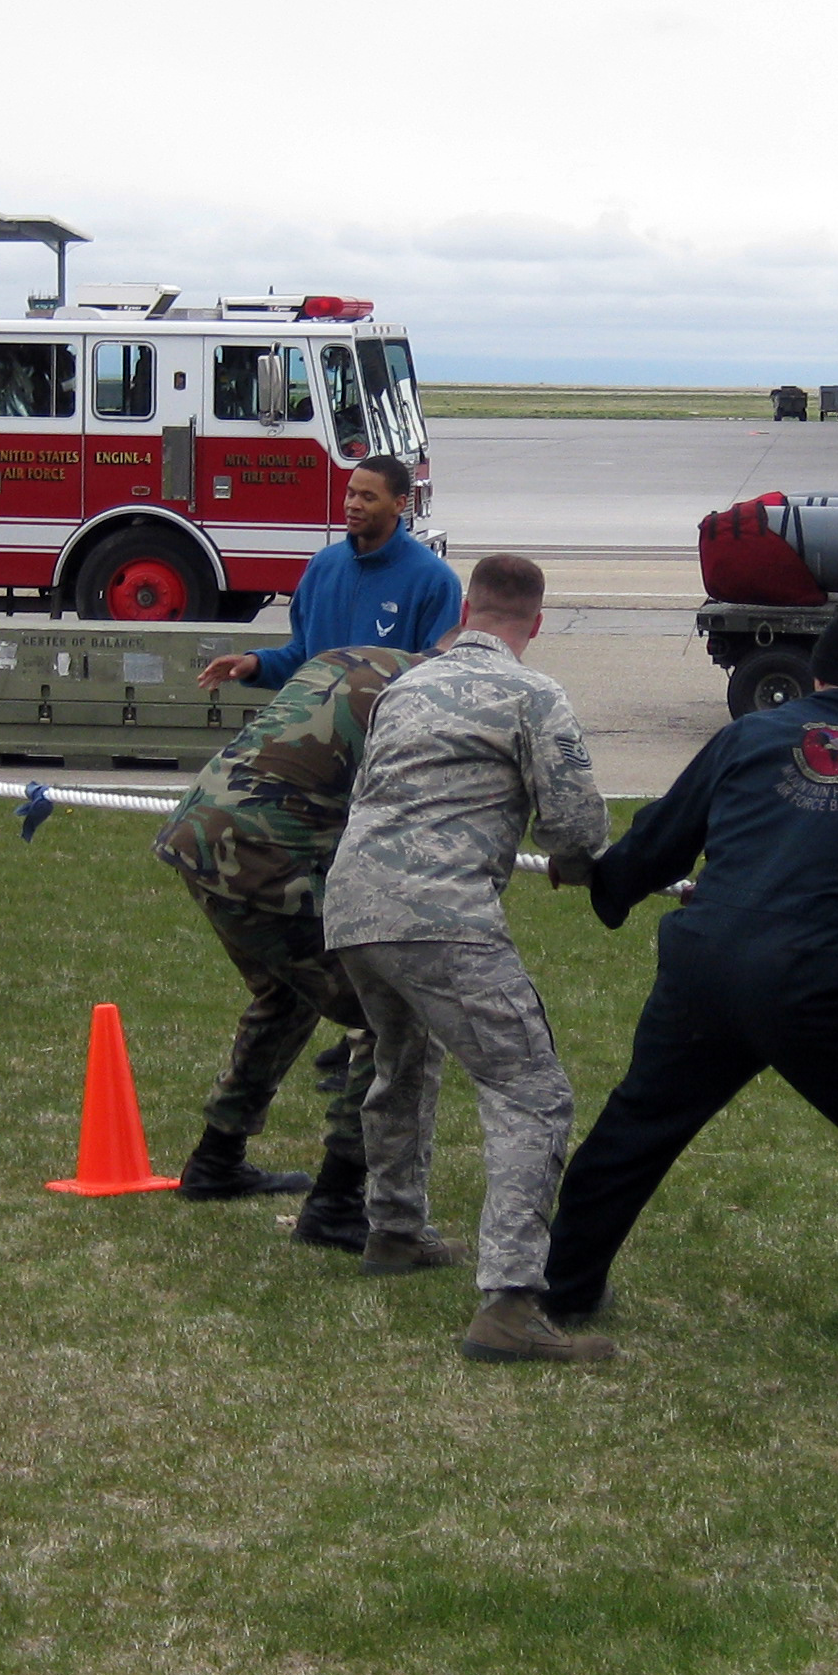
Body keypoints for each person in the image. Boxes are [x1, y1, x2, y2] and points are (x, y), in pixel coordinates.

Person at [541, 604, 838, 1398]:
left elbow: (661, 839)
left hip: (706, 963)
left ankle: (562, 1286)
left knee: (637, 1125)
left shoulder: (747, 737)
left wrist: (611, 884)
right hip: (813, 983)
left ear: (818, 671)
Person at [319, 554, 615, 1363]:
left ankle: (394, 1228)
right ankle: (511, 1300)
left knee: (399, 1059)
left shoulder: (407, 685)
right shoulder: (532, 694)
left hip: (352, 904)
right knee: (530, 1088)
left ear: (465, 612)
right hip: (440, 912)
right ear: (536, 623)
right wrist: (578, 860)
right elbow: (577, 829)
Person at [151, 642, 419, 1222]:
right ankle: (338, 1203)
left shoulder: (349, 656)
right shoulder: (425, 695)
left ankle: (217, 1160)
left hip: (197, 835)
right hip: (261, 857)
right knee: (392, 1012)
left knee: (286, 995)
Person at [198, 455, 462, 690]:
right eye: (351, 494)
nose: (353, 505)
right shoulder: (322, 566)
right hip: (322, 733)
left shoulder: (434, 581)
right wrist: (256, 664)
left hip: (388, 733)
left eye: (368, 497)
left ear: (398, 504)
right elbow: (303, 656)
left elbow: (435, 677)